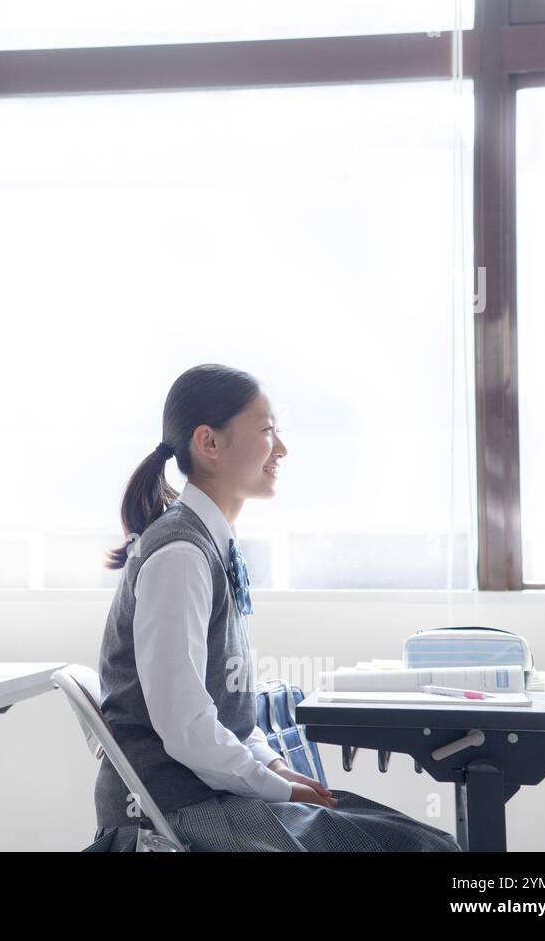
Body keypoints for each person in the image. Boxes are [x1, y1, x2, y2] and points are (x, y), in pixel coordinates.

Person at [86, 364, 461, 851]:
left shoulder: (209, 544)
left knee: (421, 840)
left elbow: (227, 716)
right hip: (178, 811)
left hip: (206, 798)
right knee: (428, 848)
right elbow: (185, 729)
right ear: (209, 442)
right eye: (266, 431)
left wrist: (274, 765)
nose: (280, 449)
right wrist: (276, 786)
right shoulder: (180, 555)